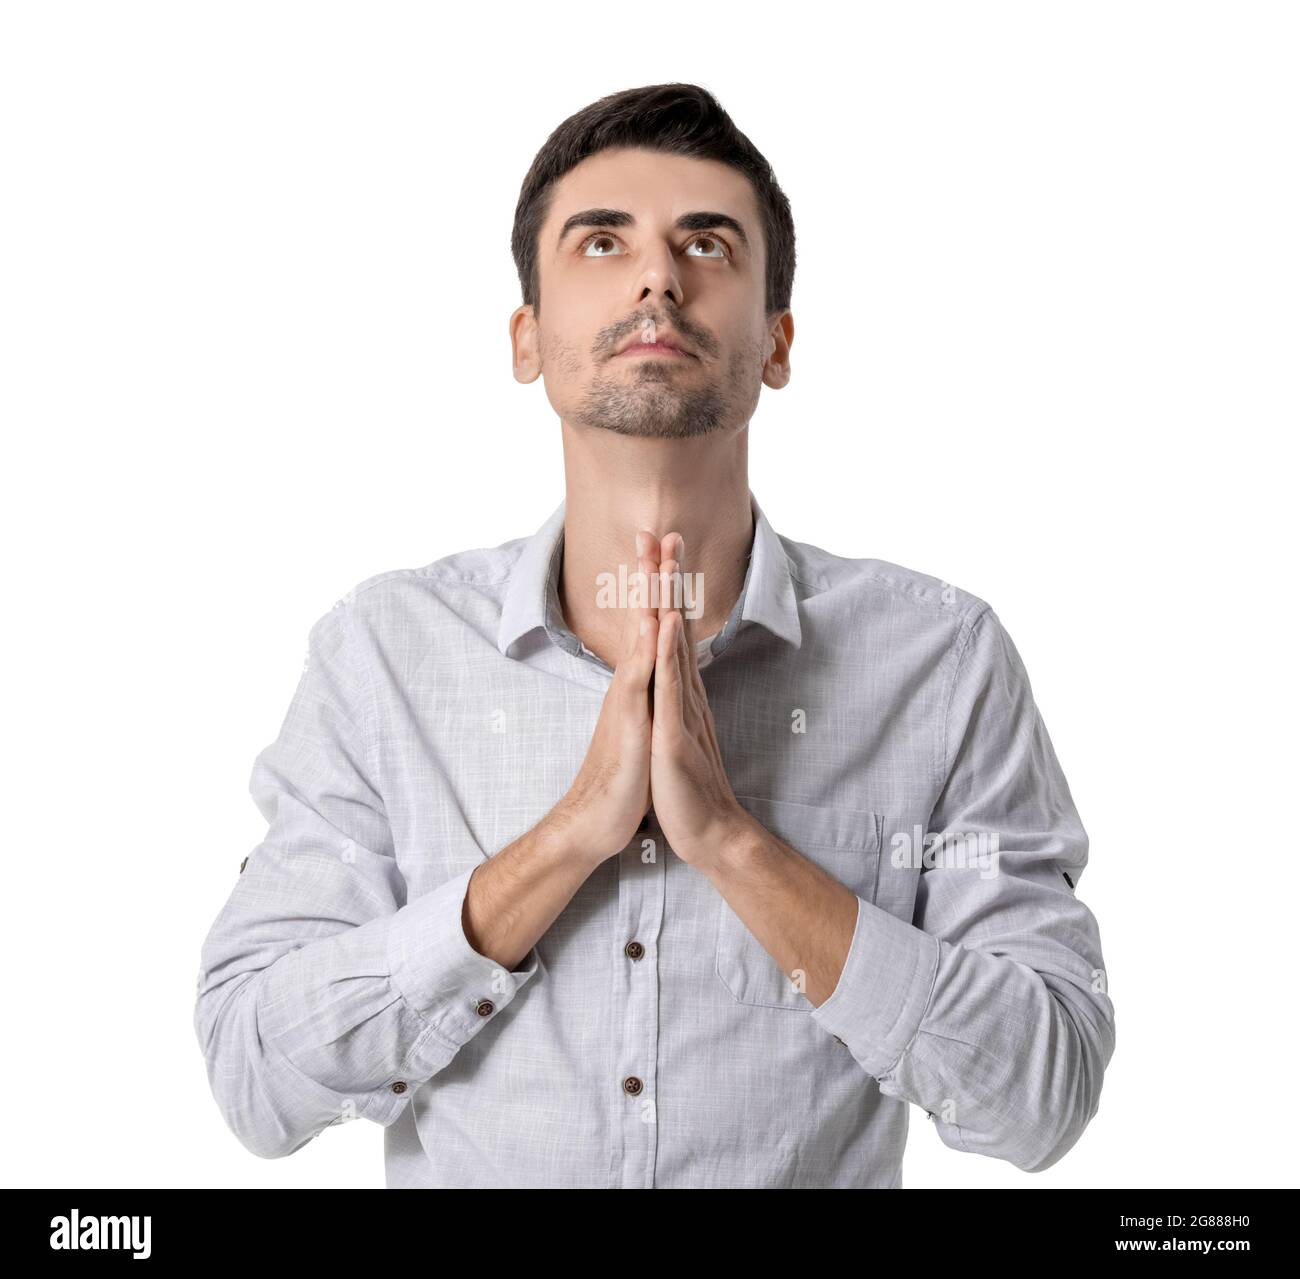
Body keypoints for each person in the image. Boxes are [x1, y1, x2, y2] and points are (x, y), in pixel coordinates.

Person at [193, 82, 1114, 1188]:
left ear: (776, 343)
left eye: (707, 244)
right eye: (601, 241)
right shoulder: (382, 657)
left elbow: (1042, 1092)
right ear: (528, 338)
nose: (656, 278)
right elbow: (255, 1075)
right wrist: (569, 837)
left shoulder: (940, 662)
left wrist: (734, 841)